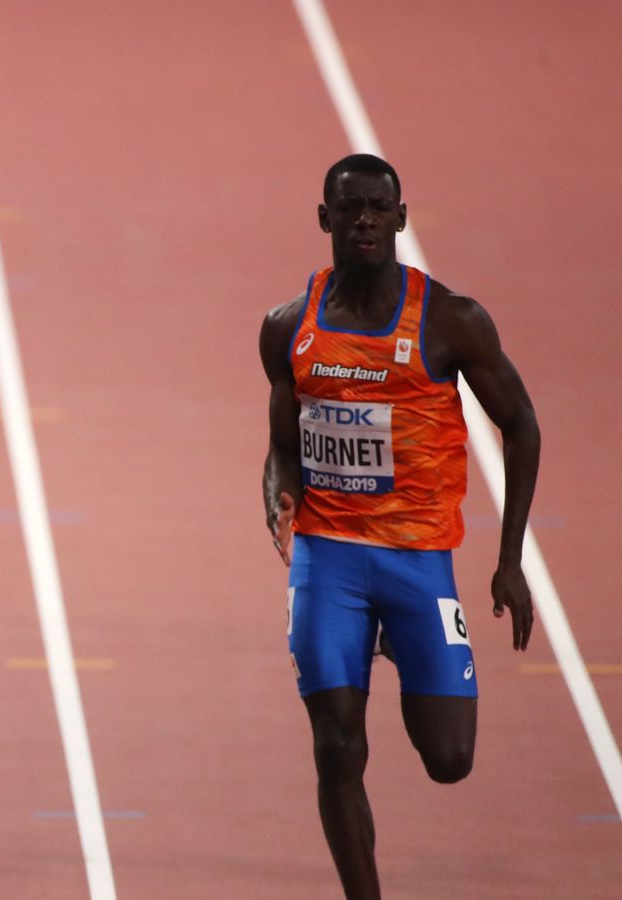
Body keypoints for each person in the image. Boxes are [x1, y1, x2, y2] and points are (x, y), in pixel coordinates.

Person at [259, 154, 539, 898]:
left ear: (401, 219)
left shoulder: (452, 321)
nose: (364, 222)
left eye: (379, 209)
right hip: (329, 557)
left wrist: (511, 561)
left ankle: (397, 638)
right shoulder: (287, 327)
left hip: (418, 557)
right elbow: (282, 447)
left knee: (449, 758)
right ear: (324, 219)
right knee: (337, 747)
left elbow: (522, 426)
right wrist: (278, 490)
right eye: (350, 209)